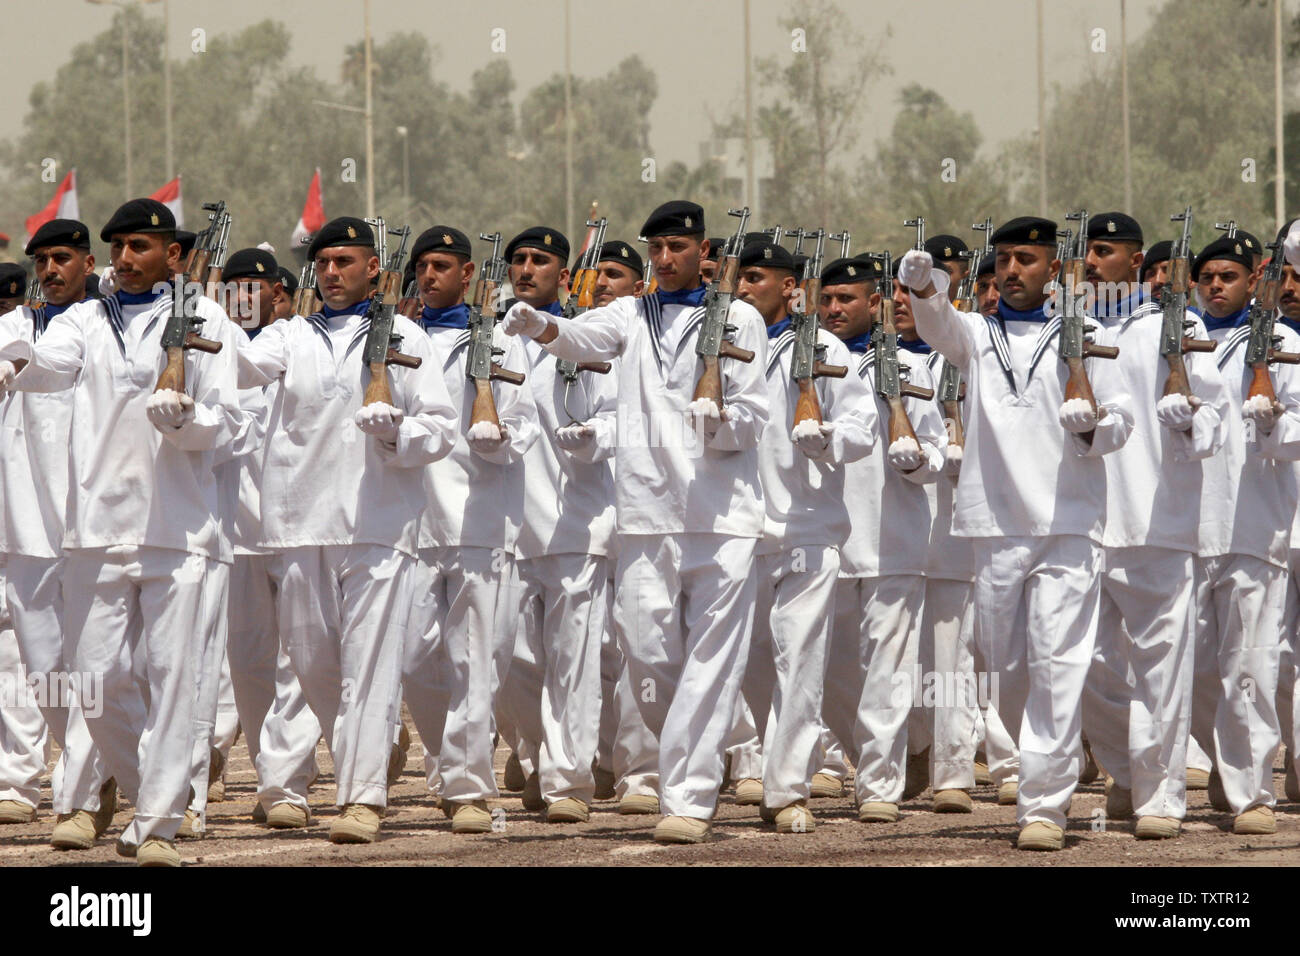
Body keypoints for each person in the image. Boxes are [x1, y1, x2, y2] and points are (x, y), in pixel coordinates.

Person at [502, 200, 769, 844]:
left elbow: (756, 410)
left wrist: (723, 424)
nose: (664, 258)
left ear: (704, 252)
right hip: (648, 516)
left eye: (676, 247)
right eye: (655, 248)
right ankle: (709, 740)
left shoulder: (741, 318)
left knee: (708, 659)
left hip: (722, 516)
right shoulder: (631, 313)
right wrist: (539, 325)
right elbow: (579, 338)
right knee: (649, 662)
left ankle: (687, 796)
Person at [0, 198, 243, 866]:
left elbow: (235, 423)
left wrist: (186, 422)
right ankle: (149, 794)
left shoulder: (206, 317)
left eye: (141, 246)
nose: (127, 259)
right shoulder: (86, 318)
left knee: (171, 677)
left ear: (174, 255)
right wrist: (12, 366)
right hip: (98, 527)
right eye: (120, 248)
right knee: (96, 682)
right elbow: (45, 365)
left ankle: (160, 823)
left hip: (178, 524)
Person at [901, 216, 1134, 851]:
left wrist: (1093, 426)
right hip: (994, 525)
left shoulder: (1084, 333)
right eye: (1002, 259)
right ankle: (1043, 761)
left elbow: (1123, 422)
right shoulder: (975, 332)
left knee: (1058, 666)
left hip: (1068, 523)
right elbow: (937, 326)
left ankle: (1043, 806)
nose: (1011, 269)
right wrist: (924, 289)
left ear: (1052, 269)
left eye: (1025, 259)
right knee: (1003, 669)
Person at [236, 215, 458, 845]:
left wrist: (397, 433)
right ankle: (373, 743)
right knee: (312, 662)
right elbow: (244, 368)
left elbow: (439, 428)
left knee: (371, 663)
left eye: (345, 262)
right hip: (300, 520)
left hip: (380, 523)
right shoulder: (289, 335)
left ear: (373, 271)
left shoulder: (408, 334)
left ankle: (360, 797)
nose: (331, 273)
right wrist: (198, 314)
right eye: (324, 263)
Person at [1078, 213, 1229, 839]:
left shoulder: (1178, 325)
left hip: (1157, 517)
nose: (1090, 261)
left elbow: (1216, 417)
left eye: (1104, 251)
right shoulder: (1074, 328)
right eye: (1086, 250)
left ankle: (1160, 798)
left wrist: (1190, 416)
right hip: (1082, 522)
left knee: (1163, 667)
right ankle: (1127, 769)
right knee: (1085, 665)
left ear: (1136, 263)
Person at [399, 225, 538, 834]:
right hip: (411, 520)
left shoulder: (503, 340)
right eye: (421, 266)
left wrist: (500, 439)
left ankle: (467, 786)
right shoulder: (397, 338)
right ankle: (448, 759)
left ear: (468, 275)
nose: (429, 276)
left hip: (482, 517)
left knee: (478, 662)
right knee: (410, 660)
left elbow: (525, 421)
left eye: (441, 266)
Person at [736, 239, 872, 831]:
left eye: (757, 278)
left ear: (791, 287)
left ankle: (786, 786)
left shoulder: (824, 348)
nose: (743, 287)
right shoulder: (723, 346)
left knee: (801, 660)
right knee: (746, 667)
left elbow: (862, 428)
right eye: (739, 278)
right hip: (738, 528)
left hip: (809, 528)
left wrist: (829, 440)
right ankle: (754, 761)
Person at [0, 219, 114, 848]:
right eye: (41, 260)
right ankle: (97, 774)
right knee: (46, 673)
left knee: (94, 668)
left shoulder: (104, 326)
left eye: (62, 258)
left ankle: (83, 793)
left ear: (88, 262)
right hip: (24, 527)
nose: (49, 270)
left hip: (91, 525)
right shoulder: (11, 328)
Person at [1187, 235, 1300, 835]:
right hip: (1182, 525)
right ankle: (1222, 753)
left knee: (1251, 665)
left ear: (1253, 280)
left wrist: (1275, 424)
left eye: (1227, 276)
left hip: (1255, 523)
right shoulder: (1178, 341)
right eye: (1206, 275)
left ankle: (1252, 792)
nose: (1215, 285)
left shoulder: (1284, 344)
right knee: (1198, 666)